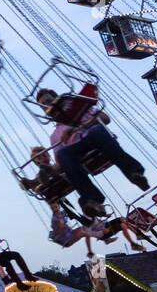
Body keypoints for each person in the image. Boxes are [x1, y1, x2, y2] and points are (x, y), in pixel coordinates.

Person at [37, 88, 148, 217]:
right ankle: (92, 198)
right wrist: (43, 173)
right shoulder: (55, 135)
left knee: (97, 129)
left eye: (49, 101)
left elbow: (105, 118)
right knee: (63, 154)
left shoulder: (80, 110)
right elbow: (60, 163)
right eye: (43, 105)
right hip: (78, 151)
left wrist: (77, 127)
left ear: (57, 99)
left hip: (94, 138)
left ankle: (134, 173)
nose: (47, 106)